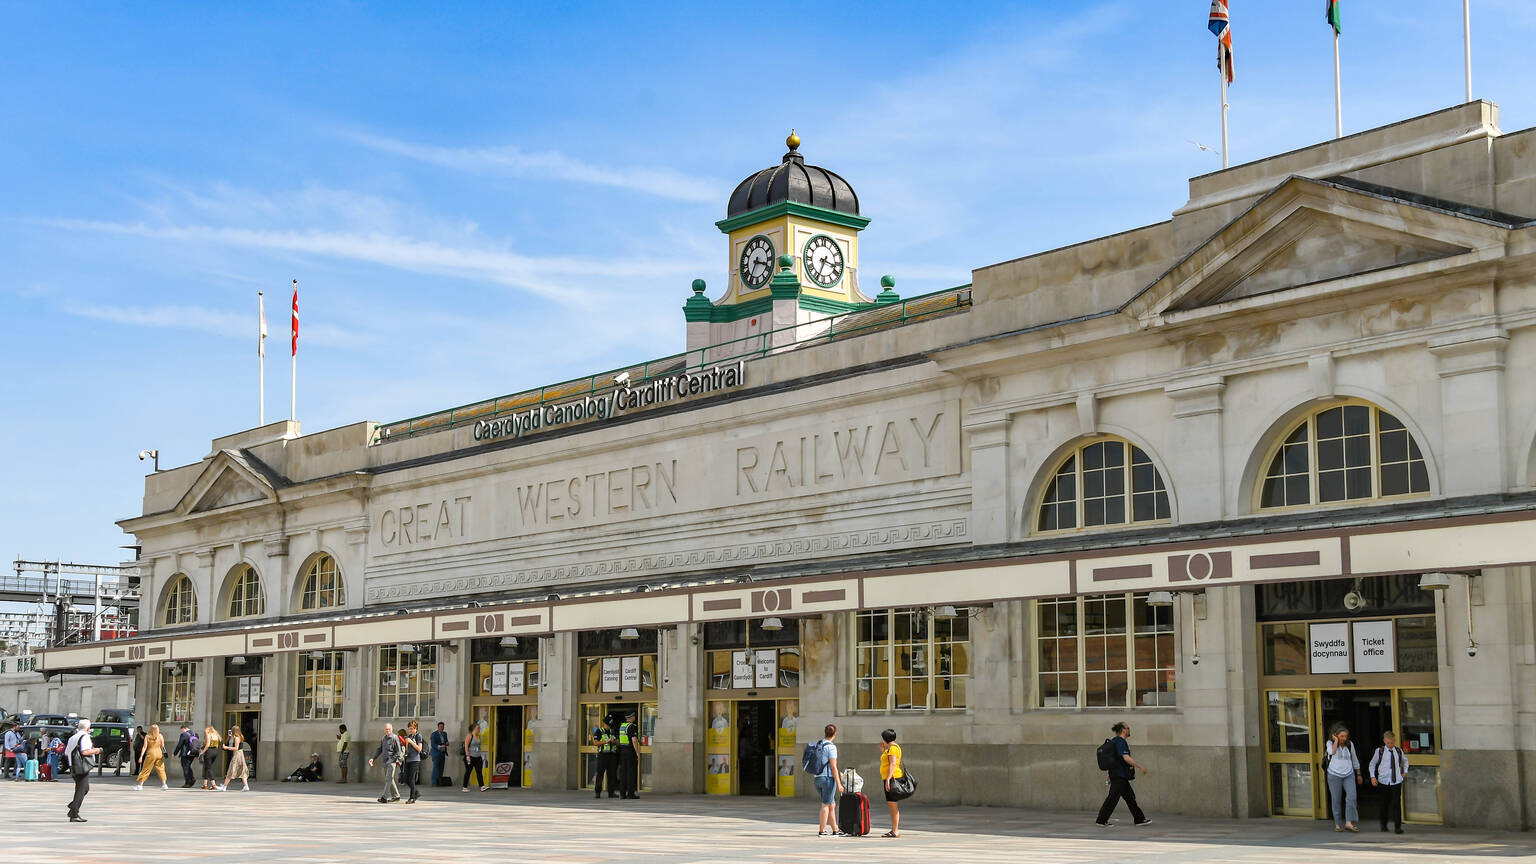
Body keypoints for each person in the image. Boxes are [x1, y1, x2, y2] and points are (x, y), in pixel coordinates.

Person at [1095, 721, 1152, 828]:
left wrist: (1110, 774)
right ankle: (1101, 820)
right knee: (1112, 798)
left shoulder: (1114, 741)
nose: (1129, 729)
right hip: (1119, 776)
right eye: (1128, 728)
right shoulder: (1120, 742)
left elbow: (1114, 760)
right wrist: (1140, 766)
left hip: (1119, 776)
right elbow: (1126, 758)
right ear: (1123, 730)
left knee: (1130, 798)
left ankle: (1139, 819)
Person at [1368, 730, 1409, 834]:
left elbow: (1405, 761)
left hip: (1396, 781)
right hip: (1383, 781)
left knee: (1396, 803)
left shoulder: (1399, 751)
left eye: (1392, 743)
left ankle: (1397, 827)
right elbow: (1372, 764)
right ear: (1384, 741)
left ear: (1394, 741)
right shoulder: (1379, 751)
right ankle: (1384, 824)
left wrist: (1405, 771)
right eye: (1388, 743)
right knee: (1384, 804)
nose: (1390, 745)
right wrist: (1373, 777)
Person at [1324, 725, 1363, 832]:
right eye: (1341, 736)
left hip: (1349, 774)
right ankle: (1337, 823)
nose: (1343, 738)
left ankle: (1349, 822)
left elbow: (1355, 760)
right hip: (1334, 774)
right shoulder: (1330, 743)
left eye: (1345, 736)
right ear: (1336, 736)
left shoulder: (1350, 745)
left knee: (1352, 797)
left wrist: (1358, 774)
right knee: (1336, 799)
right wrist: (1335, 741)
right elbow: (1332, 752)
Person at [64, 719, 103, 823]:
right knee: (81, 790)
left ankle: (73, 807)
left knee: (84, 788)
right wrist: (97, 750)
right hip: (81, 766)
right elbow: (85, 751)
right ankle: (74, 813)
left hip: (73, 766)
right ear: (88, 728)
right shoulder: (84, 737)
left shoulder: (73, 737)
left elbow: (66, 752)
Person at [812, 724, 844, 837]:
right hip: (828, 779)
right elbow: (834, 767)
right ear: (835, 734)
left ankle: (835, 829)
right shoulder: (831, 747)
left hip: (817, 778)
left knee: (831, 804)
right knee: (826, 804)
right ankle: (822, 830)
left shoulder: (818, 744)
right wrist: (839, 784)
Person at [878, 728, 907, 838]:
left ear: (885, 739)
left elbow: (893, 764)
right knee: (892, 805)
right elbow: (888, 761)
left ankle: (895, 830)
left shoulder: (893, 749)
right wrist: (883, 750)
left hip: (892, 779)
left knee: (893, 805)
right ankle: (894, 830)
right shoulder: (891, 748)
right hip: (891, 778)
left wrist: (889, 779)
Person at [369, 722, 403, 803]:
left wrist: (392, 760)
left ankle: (384, 797)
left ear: (392, 729)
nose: (387, 731)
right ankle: (396, 796)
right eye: (386, 729)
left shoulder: (395, 738)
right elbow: (379, 749)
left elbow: (398, 752)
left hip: (392, 762)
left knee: (388, 779)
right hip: (385, 762)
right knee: (390, 779)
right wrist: (373, 758)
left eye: (389, 729)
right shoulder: (383, 738)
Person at [134, 723, 168, 791]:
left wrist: (141, 756)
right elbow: (162, 746)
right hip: (159, 753)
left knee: (146, 769)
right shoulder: (160, 736)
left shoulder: (147, 736)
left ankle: (140, 785)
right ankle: (164, 784)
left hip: (151, 753)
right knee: (161, 769)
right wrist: (165, 753)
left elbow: (144, 747)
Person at [591, 715, 618, 799]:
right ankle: (597, 792)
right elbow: (595, 743)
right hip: (602, 756)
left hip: (612, 756)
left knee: (612, 775)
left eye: (610, 725)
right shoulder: (599, 731)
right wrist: (606, 741)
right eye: (607, 725)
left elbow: (618, 742)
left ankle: (611, 792)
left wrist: (614, 741)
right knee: (600, 774)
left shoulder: (612, 731)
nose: (609, 726)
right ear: (604, 723)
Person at [616, 710, 640, 799]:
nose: (635, 717)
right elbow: (634, 740)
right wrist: (637, 752)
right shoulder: (632, 727)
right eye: (634, 716)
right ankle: (630, 793)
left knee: (623, 773)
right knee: (631, 773)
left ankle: (622, 793)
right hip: (630, 752)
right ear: (630, 717)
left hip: (623, 751)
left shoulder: (622, 726)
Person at [400, 720, 426, 803]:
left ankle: (412, 797)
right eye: (409, 729)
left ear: (416, 728)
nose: (410, 730)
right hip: (408, 759)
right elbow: (407, 749)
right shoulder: (410, 736)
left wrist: (411, 742)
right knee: (405, 779)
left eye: (412, 729)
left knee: (411, 779)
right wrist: (406, 743)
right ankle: (416, 792)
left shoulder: (419, 736)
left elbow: (419, 749)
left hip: (415, 760)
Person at [221, 726, 250, 792]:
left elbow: (236, 748)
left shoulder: (236, 738)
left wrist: (227, 747)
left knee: (231, 769)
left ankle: (224, 787)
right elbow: (228, 742)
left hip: (237, 754)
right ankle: (246, 786)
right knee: (242, 770)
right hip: (240, 754)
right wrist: (229, 737)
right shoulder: (238, 736)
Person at [462, 722, 486, 792]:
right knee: (468, 772)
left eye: (479, 728)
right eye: (478, 728)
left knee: (479, 772)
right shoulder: (469, 736)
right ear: (474, 729)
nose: (479, 729)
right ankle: (464, 787)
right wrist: (467, 756)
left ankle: (482, 786)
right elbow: (466, 746)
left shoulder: (479, 736)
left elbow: (479, 746)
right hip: (470, 756)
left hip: (478, 756)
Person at [173, 723, 199, 788]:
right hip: (193, 753)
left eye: (182, 730)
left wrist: (175, 753)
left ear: (184, 728)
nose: (182, 731)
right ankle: (192, 779)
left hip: (185, 754)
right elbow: (197, 744)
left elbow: (179, 745)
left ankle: (188, 782)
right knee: (188, 766)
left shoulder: (184, 734)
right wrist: (197, 754)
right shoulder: (195, 734)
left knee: (185, 767)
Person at [201, 725, 222, 790]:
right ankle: (205, 784)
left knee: (208, 768)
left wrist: (202, 752)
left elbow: (207, 744)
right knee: (207, 767)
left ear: (208, 730)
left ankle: (213, 784)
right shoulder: (216, 735)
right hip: (215, 751)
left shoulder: (209, 734)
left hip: (209, 751)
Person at [429, 722, 449, 787]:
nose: (442, 728)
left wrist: (446, 743)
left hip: (442, 752)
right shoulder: (434, 734)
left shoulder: (445, 734)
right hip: (436, 752)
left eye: (443, 727)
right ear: (438, 727)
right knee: (436, 767)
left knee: (441, 767)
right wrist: (440, 747)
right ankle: (434, 782)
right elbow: (433, 744)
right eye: (440, 727)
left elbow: (445, 741)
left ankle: (440, 781)